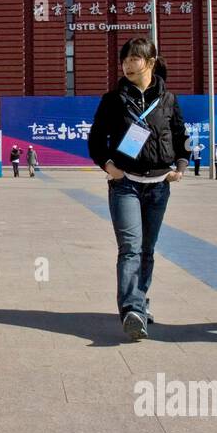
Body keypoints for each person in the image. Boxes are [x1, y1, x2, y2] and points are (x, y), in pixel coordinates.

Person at [88, 37, 189, 341]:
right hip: (125, 185)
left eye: (135, 58)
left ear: (151, 61)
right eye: (126, 60)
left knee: (147, 250)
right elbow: (96, 140)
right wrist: (109, 167)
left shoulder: (168, 100)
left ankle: (140, 301)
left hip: (159, 187)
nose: (129, 65)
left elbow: (182, 137)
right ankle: (132, 309)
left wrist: (179, 168)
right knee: (130, 248)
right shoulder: (113, 100)